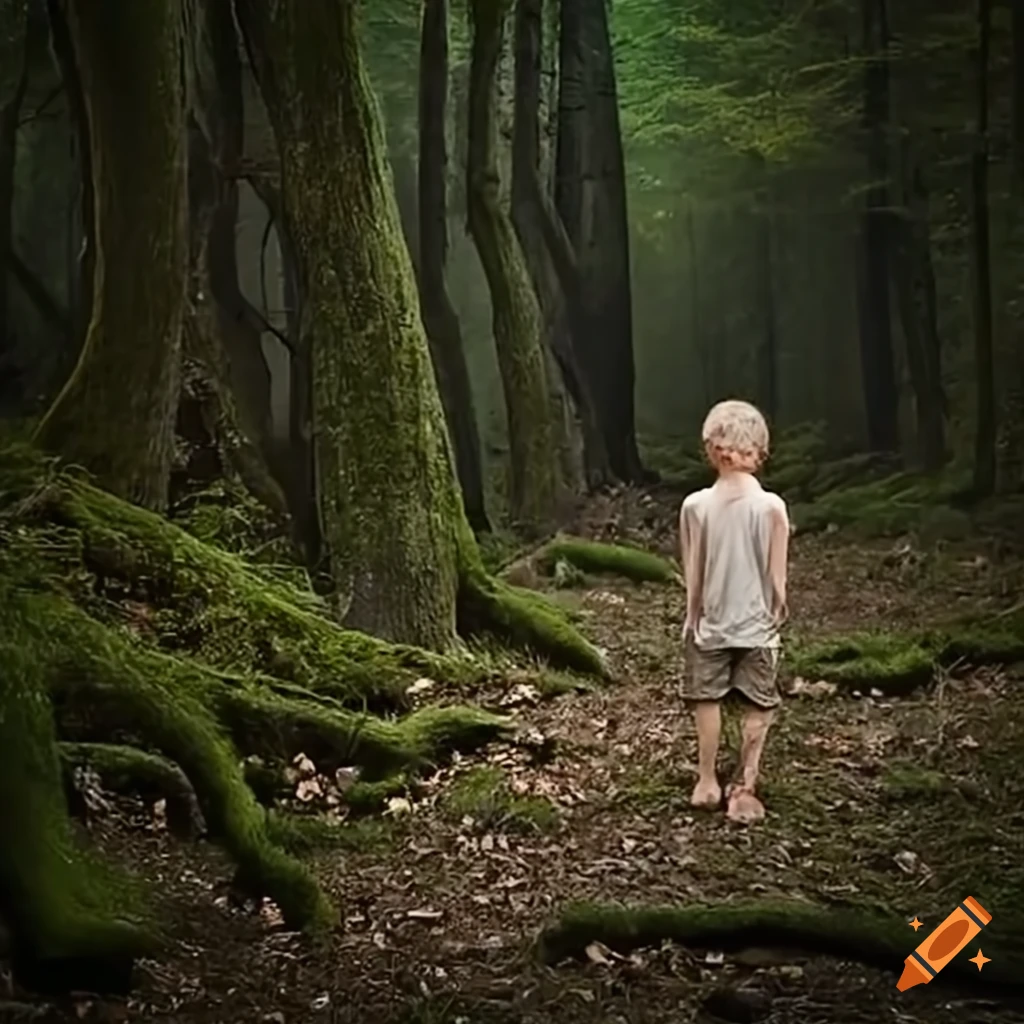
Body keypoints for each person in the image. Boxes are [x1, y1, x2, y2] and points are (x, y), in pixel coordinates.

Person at [678, 399, 790, 824]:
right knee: (758, 704)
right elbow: (777, 580)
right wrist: (777, 611)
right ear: (758, 454)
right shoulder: (773, 507)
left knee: (706, 697)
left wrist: (692, 616)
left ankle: (706, 779)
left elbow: (694, 570)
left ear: (712, 450)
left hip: (710, 623)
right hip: (758, 626)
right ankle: (746, 784)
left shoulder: (695, 506)